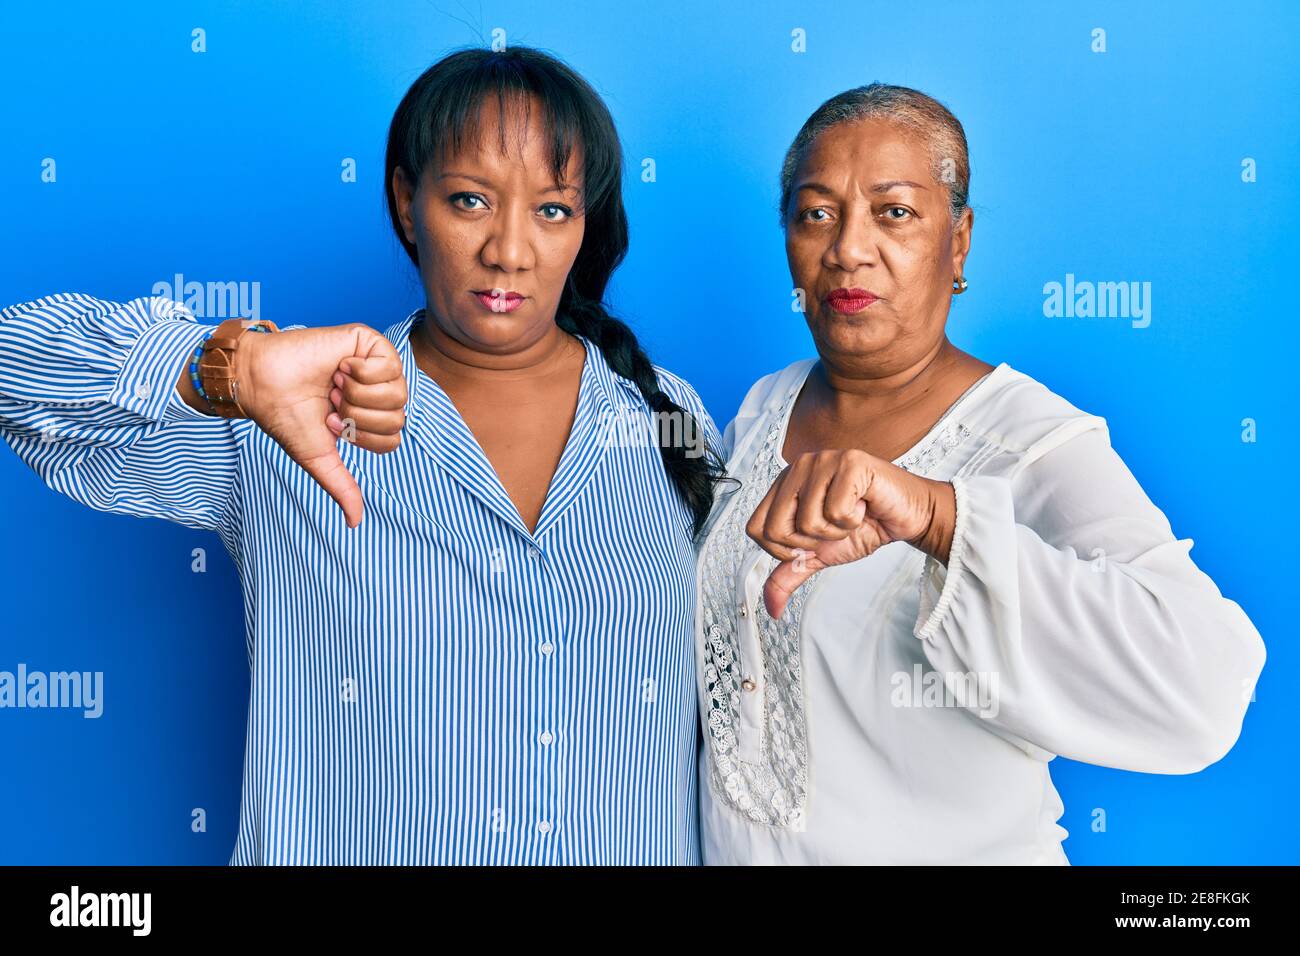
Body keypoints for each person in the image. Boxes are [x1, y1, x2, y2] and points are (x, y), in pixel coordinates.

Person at [0, 46, 726, 865]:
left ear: (585, 224)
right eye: (469, 200)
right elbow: (10, 371)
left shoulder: (668, 420)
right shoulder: (283, 418)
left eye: (552, 211)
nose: (509, 250)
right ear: (407, 204)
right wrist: (223, 369)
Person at [693, 83, 1266, 864]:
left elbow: (1204, 690)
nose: (848, 249)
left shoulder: (1026, 439)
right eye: (816, 212)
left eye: (894, 212)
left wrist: (939, 519)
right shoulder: (765, 408)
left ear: (957, 243)